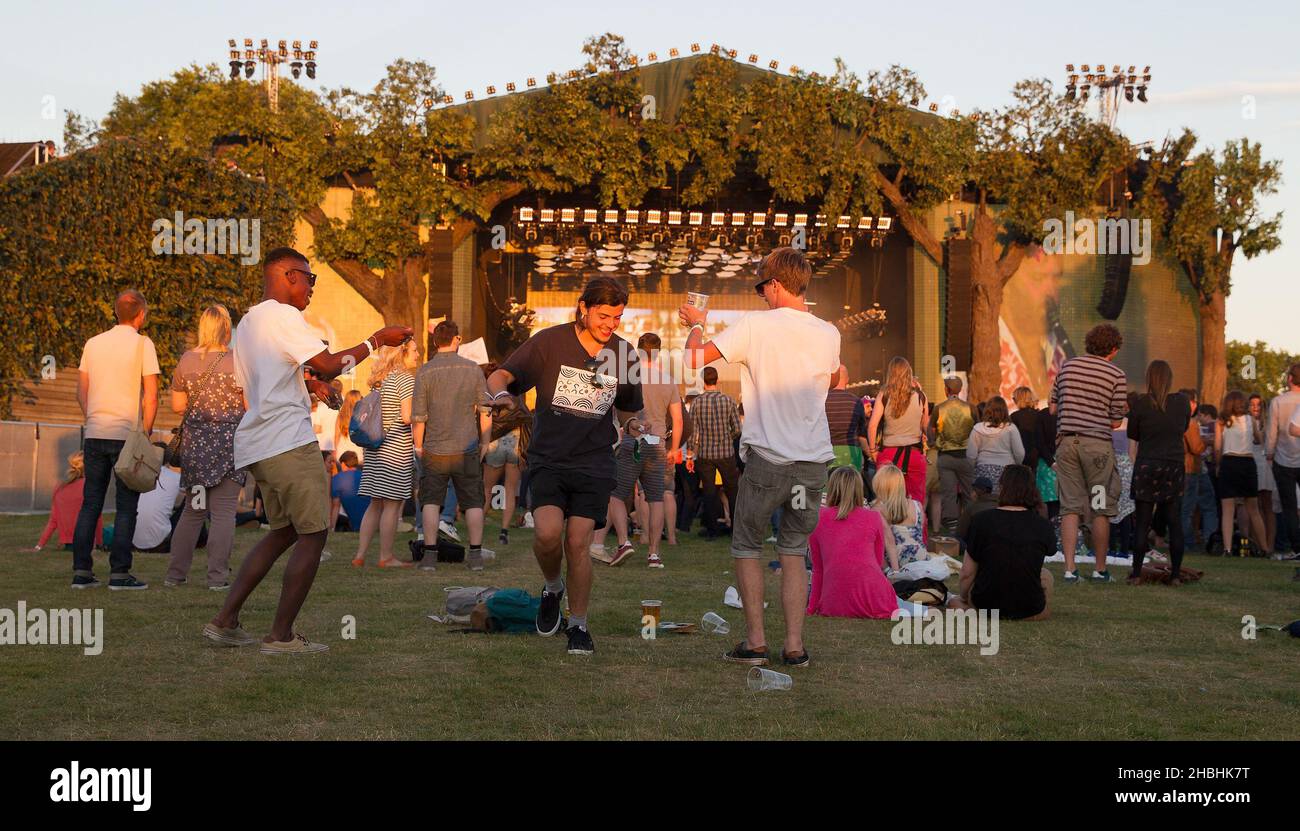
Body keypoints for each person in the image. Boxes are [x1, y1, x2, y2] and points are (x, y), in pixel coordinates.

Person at [205, 246, 413, 653]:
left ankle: (225, 621)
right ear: (288, 276)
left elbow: (264, 383)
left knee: (283, 532)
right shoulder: (283, 315)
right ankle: (281, 636)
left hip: (258, 444)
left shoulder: (248, 322)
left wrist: (311, 385)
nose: (312, 288)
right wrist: (377, 340)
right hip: (287, 441)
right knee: (315, 534)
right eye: (309, 278)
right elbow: (332, 363)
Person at [680, 247, 839, 668]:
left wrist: (696, 324)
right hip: (812, 465)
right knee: (793, 549)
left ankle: (755, 643)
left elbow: (693, 359)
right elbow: (837, 375)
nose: (761, 295)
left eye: (762, 287)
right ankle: (794, 647)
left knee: (747, 545)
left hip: (769, 460)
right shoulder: (828, 332)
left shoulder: (755, 325)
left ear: (776, 284)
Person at [487, 276, 644, 655]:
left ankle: (579, 625)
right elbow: (500, 375)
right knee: (546, 534)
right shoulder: (549, 342)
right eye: (603, 316)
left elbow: (628, 409)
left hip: (594, 462)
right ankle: (552, 587)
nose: (610, 325)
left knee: (577, 542)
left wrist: (634, 426)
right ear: (583, 308)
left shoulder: (624, 353)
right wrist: (502, 395)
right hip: (548, 459)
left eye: (617, 318)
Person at [71, 288, 160, 590]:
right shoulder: (143, 344)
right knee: (126, 506)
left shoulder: (92, 344)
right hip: (126, 436)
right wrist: (144, 433)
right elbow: (151, 396)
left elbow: (81, 392)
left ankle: (81, 572)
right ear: (141, 315)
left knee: (90, 503)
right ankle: (120, 574)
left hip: (95, 433)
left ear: (115, 312)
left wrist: (93, 418)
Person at [165, 304, 246, 590]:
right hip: (228, 447)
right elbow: (249, 406)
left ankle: (175, 575)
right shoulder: (238, 361)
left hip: (195, 449)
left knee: (193, 511)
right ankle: (217, 578)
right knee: (223, 513)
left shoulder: (187, 360)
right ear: (226, 329)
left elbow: (178, 406)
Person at [1049, 322, 1127, 583]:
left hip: (1067, 444)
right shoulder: (1116, 375)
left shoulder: (1067, 367)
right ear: (1113, 349)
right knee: (1100, 507)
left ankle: (1070, 570)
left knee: (1069, 507)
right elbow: (1115, 422)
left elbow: (1052, 408)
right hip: (1097, 448)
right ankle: (1100, 569)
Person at [411, 320, 492, 571]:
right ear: (457, 339)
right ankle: (475, 557)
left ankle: (430, 556)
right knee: (473, 502)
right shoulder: (473, 369)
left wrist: (418, 446)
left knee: (430, 502)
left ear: (435, 341)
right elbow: (486, 410)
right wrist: (485, 441)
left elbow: (418, 417)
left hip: (434, 448)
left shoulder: (425, 371)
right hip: (467, 446)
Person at [808, 466, 927, 620]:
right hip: (874, 598)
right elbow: (876, 562)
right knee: (918, 609)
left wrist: (811, 608)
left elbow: (818, 570)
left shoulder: (818, 518)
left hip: (834, 603)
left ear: (831, 488)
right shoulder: (873, 517)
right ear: (859, 489)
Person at [605, 332, 681, 568]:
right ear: (659, 352)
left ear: (638, 351)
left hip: (633, 439)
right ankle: (654, 554)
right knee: (656, 498)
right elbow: (677, 420)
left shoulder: (630, 376)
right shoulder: (668, 380)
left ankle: (623, 541)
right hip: (657, 443)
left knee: (616, 495)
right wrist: (674, 448)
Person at [952, 464, 1055, 621]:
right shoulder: (1042, 525)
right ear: (1033, 491)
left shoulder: (981, 521)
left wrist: (963, 597)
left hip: (985, 604)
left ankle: (967, 607)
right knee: (1046, 575)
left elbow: (967, 573)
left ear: (1001, 488)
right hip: (1030, 609)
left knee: (955, 601)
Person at [353, 338, 421, 568]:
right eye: (414, 350)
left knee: (374, 504)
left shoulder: (379, 380)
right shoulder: (405, 379)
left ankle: (360, 555)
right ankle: (386, 557)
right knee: (392, 504)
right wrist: (425, 413)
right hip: (395, 450)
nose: (418, 354)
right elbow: (407, 417)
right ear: (401, 353)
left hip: (374, 449)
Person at [1125, 361, 1191, 583]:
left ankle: (1136, 574)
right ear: (1169, 379)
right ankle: (1175, 575)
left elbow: (1133, 436)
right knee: (1174, 521)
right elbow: (1183, 428)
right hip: (1173, 464)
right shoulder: (1182, 402)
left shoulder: (1140, 404)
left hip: (1147, 464)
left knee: (1142, 522)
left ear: (1149, 379)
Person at [866, 356, 929, 510]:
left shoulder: (884, 395)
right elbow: (925, 425)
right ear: (909, 373)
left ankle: (887, 526)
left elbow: (872, 426)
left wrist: (873, 451)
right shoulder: (921, 396)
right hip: (914, 453)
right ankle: (915, 524)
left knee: (885, 501)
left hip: (889, 453)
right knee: (915, 502)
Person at [688, 365, 741, 540]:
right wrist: (726, 437)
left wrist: (690, 453)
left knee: (709, 492)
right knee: (732, 491)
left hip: (705, 454)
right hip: (726, 452)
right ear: (717, 380)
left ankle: (712, 531)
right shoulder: (729, 400)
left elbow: (693, 432)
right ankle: (735, 529)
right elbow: (737, 428)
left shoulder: (697, 403)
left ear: (703, 382)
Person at [1215, 390, 1269, 555]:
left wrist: (1218, 464)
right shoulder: (1250, 419)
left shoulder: (1222, 422)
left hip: (1229, 462)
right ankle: (1265, 548)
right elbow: (1259, 439)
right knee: (1253, 509)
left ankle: (1227, 548)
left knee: (1228, 509)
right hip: (1247, 463)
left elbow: (1217, 447)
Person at [480, 363, 526, 547]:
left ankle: (478, 527)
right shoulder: (517, 393)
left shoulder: (487, 393)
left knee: (486, 489)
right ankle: (504, 532)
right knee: (510, 490)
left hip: (494, 442)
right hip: (516, 442)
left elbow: (484, 417)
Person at [931, 376, 976, 533]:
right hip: (966, 456)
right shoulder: (971, 408)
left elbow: (931, 430)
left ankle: (952, 528)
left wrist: (934, 443)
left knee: (948, 494)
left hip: (946, 456)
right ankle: (970, 525)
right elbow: (976, 429)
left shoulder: (939, 408)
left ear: (946, 390)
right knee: (969, 493)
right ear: (960, 389)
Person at [35, 452, 102, 552]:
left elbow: (53, 521)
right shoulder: (90, 486)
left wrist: (39, 545)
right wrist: (99, 543)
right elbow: (97, 518)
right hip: (87, 541)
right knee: (114, 530)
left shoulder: (59, 487)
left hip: (69, 544)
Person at [1266, 364, 1300, 558]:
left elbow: (1272, 431)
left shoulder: (1278, 401)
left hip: (1283, 458)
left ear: (1289, 379)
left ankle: (1296, 547)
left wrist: (1269, 453)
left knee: (1289, 506)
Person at [966, 395, 1025, 496]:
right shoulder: (1011, 428)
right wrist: (1015, 465)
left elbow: (971, 455)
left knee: (984, 501)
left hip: (983, 471)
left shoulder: (977, 428)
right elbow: (1020, 453)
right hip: (1006, 472)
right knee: (1004, 500)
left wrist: (974, 468)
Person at [871, 463, 927, 568]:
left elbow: (886, 541)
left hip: (896, 561)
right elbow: (921, 532)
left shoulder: (878, 510)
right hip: (921, 557)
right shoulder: (917, 505)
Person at [825, 364, 870, 470]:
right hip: (852, 454)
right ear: (847, 380)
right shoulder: (856, 402)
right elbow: (861, 435)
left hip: (828, 453)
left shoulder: (823, 400)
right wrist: (870, 453)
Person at [1248, 393, 1276, 554]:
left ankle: (1270, 545)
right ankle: (1257, 544)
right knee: (1254, 505)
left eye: (1258, 404)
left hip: (1265, 464)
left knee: (1267, 506)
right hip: (1251, 464)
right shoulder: (1245, 422)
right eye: (1252, 404)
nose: (1255, 407)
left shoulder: (1268, 422)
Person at [330, 451, 369, 531]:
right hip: (374, 521)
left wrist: (332, 528)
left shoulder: (337, 478)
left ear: (343, 464)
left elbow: (336, 505)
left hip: (356, 525)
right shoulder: (366, 476)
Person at [956, 475, 999, 544]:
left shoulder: (972, 507)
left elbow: (960, 533)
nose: (972, 492)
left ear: (981, 491)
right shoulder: (999, 505)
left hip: (977, 545)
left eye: (974, 489)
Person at [334, 389, 365, 463]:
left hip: (342, 453)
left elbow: (336, 436)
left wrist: (335, 450)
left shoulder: (341, 415)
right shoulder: (362, 415)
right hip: (358, 453)